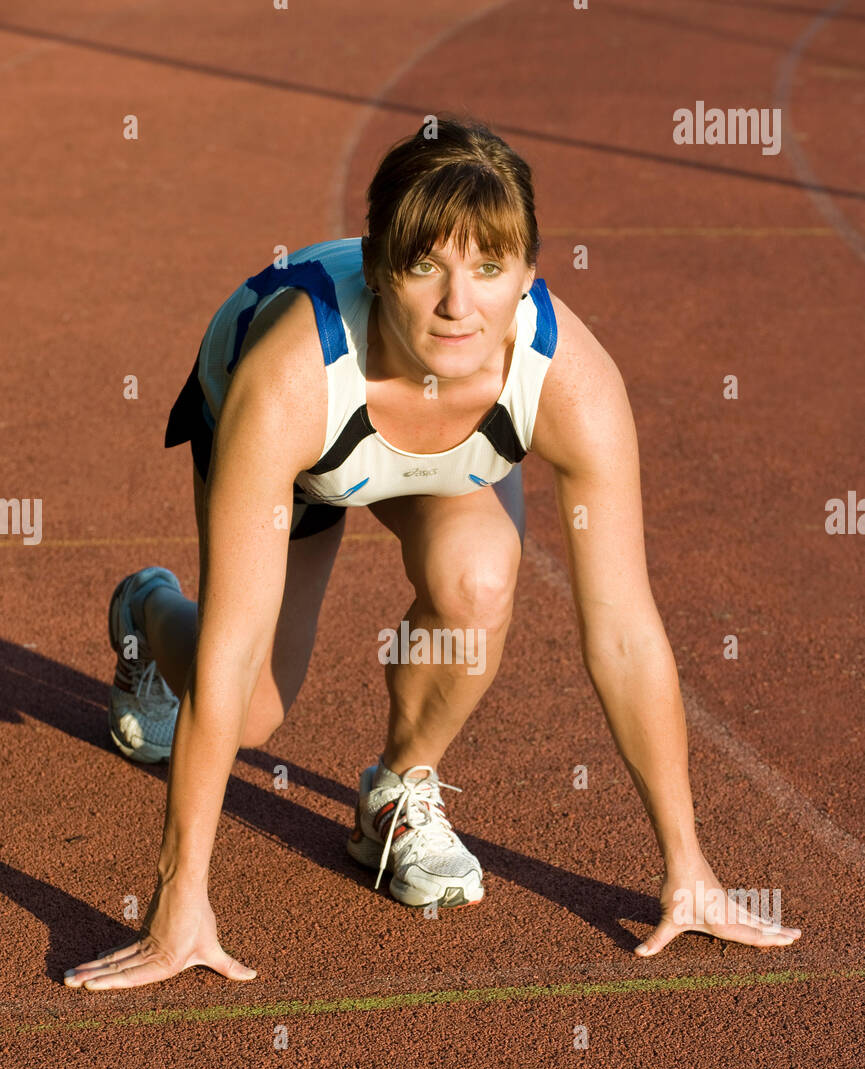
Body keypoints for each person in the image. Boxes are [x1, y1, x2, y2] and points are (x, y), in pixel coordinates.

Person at [65, 117, 800, 992]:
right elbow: (230, 646)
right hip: (311, 453)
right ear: (381, 270)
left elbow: (625, 630)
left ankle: (395, 799)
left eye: (491, 270)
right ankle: (147, 611)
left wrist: (688, 868)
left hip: (445, 454)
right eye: (426, 269)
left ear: (528, 273)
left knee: (481, 573)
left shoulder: (570, 381)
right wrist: (178, 896)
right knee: (253, 712)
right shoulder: (289, 380)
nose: (460, 306)